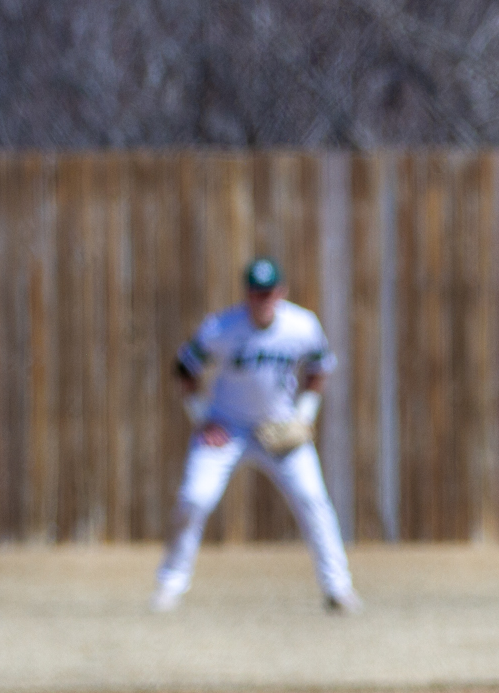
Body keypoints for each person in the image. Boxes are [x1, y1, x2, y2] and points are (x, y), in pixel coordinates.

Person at [152, 257, 360, 614]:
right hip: (227, 427)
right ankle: (170, 586)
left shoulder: (301, 325)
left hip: (278, 429)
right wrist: (202, 418)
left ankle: (338, 589)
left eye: (268, 292)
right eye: (255, 293)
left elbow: (319, 366)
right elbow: (184, 369)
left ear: (281, 293)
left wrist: (305, 413)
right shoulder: (221, 328)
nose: (262, 300)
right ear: (246, 293)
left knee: (313, 500)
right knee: (194, 499)